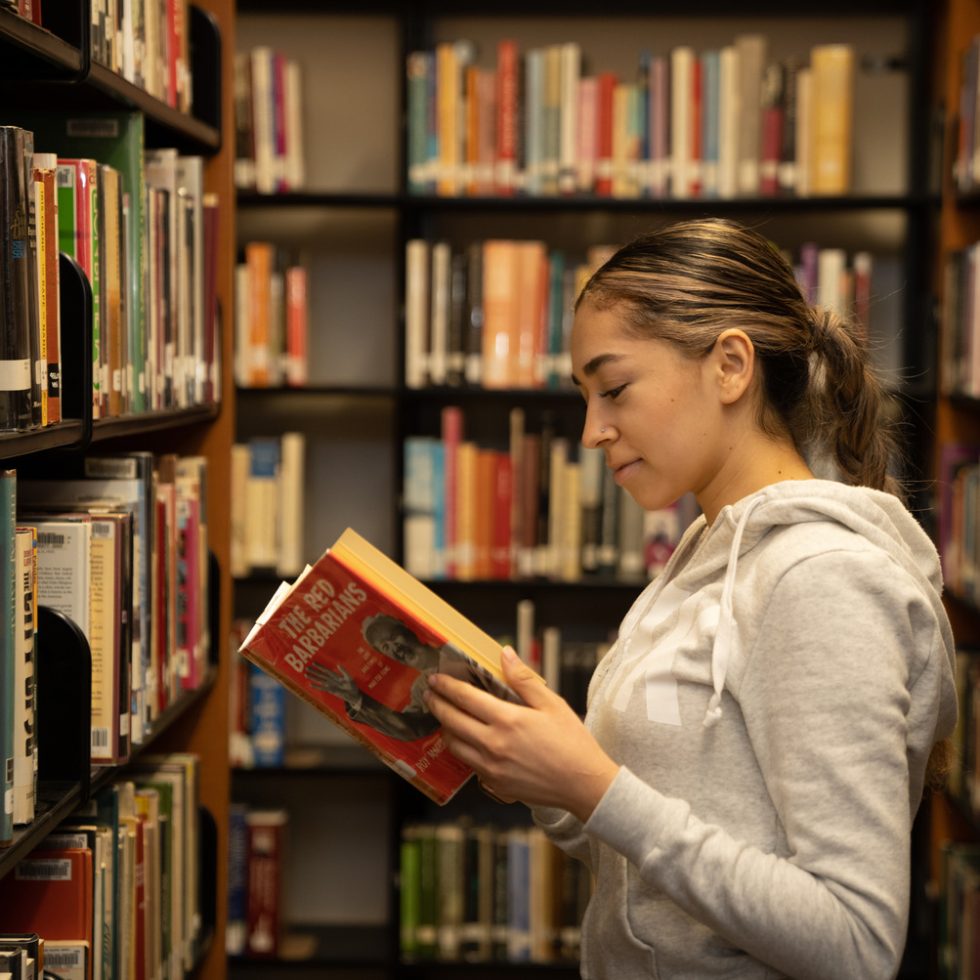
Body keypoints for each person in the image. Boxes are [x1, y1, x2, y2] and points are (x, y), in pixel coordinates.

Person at [422, 217, 959, 979]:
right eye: (586, 398)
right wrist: (541, 771)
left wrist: (593, 786)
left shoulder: (820, 579)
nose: (592, 432)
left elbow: (856, 944)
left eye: (614, 389)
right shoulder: (705, 552)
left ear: (731, 366)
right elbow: (645, 857)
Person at [307, 612, 518, 742]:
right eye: (385, 647)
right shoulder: (420, 690)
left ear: (408, 630)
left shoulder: (457, 647)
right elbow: (411, 728)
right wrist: (356, 698)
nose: (395, 648)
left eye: (393, 637)